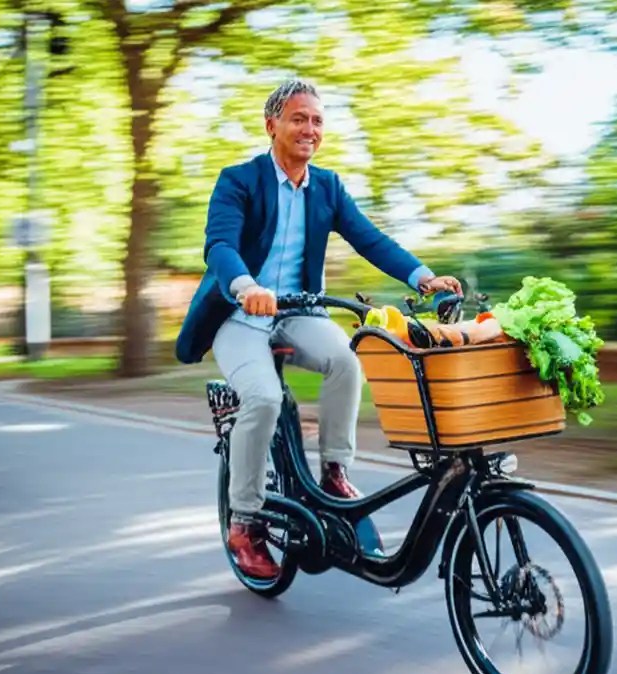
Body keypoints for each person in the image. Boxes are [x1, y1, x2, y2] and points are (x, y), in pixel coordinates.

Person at [174, 79, 462, 578]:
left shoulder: (327, 187)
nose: (310, 129)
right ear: (272, 126)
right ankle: (245, 522)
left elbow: (370, 239)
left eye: (317, 121)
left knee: (347, 361)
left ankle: (334, 471)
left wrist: (423, 277)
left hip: (301, 312)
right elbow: (220, 246)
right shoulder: (239, 180)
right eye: (298, 118)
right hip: (241, 315)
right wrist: (246, 286)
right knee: (263, 399)